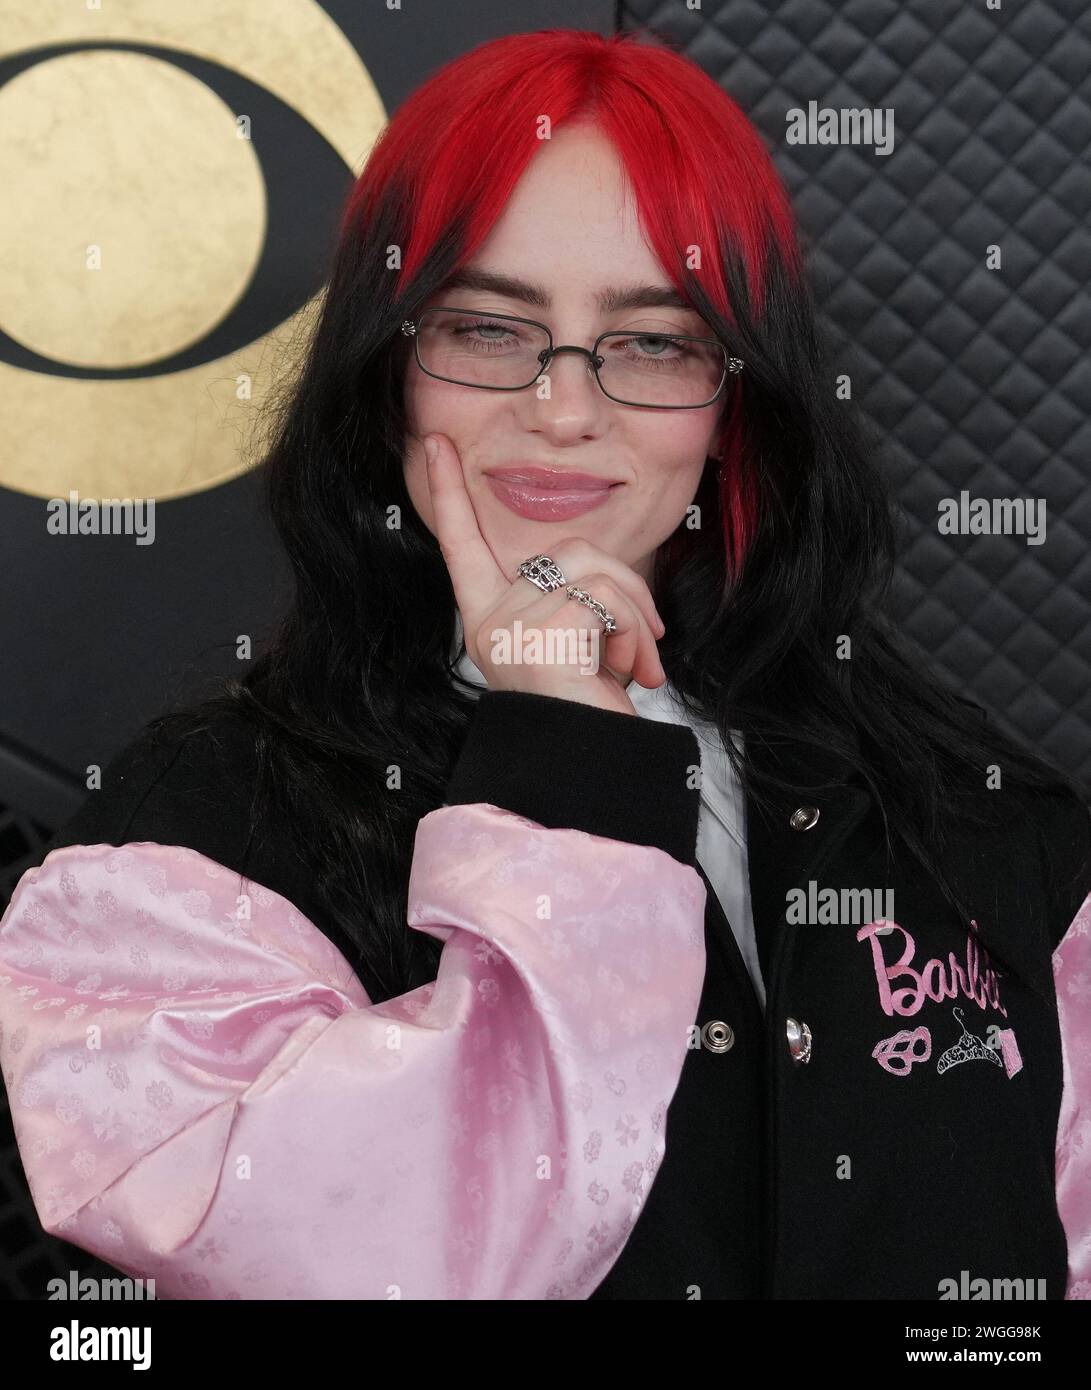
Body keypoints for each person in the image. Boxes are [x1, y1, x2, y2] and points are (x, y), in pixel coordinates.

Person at [1, 28, 1089, 1302]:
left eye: (651, 341)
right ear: (389, 372)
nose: (563, 407)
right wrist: (568, 756)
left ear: (737, 402)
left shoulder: (968, 808)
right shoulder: (184, 838)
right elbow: (380, 1263)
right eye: (484, 326)